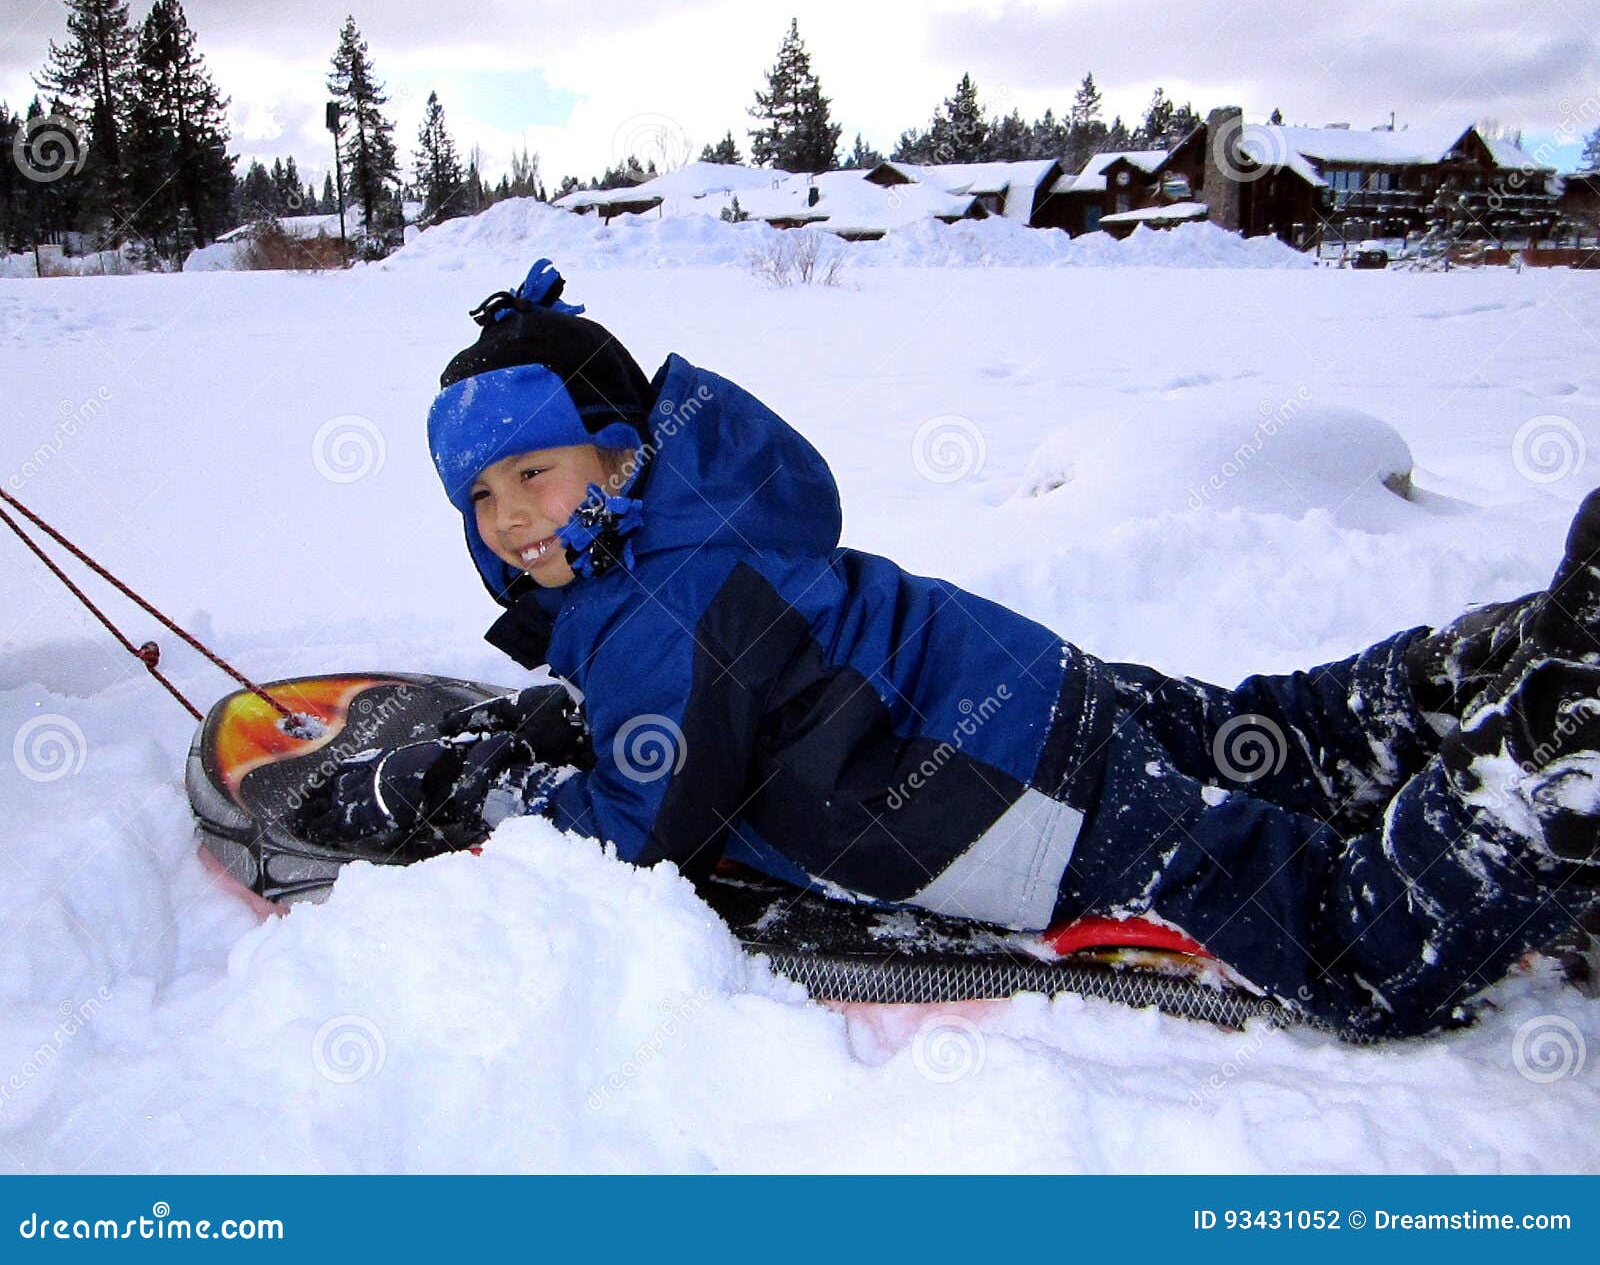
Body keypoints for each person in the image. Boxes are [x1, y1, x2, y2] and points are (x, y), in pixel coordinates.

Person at [299, 260, 1600, 1039]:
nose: (511, 515)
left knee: (1335, 940)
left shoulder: (664, 608)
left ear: (623, 452)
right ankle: (1489, 669)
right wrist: (559, 720)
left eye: (534, 469)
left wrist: (497, 799)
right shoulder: (695, 539)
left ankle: (1549, 774)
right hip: (1049, 697)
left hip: (1022, 804)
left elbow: (641, 822)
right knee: (1279, 738)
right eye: (479, 496)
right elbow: (687, 711)